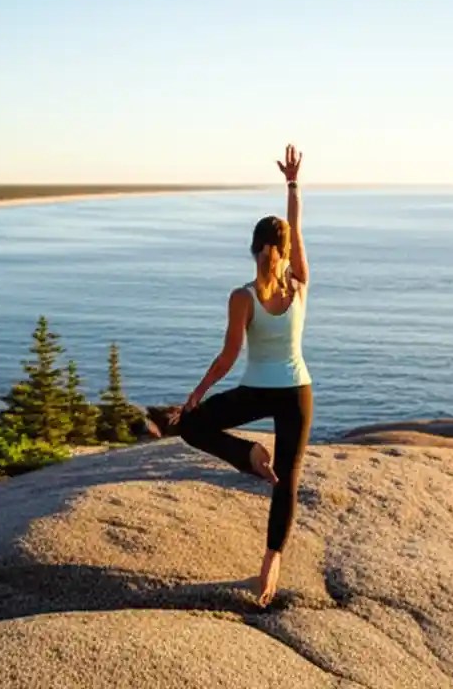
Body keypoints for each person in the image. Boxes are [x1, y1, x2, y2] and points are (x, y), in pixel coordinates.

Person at [177, 144, 313, 608]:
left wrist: (292, 184)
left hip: (294, 391)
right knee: (190, 425)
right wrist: (198, 393)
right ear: (263, 249)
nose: (268, 255)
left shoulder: (298, 283)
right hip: (260, 389)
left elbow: (296, 226)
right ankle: (251, 454)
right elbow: (228, 355)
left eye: (272, 249)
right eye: (269, 249)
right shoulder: (244, 296)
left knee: (288, 480)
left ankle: (271, 562)